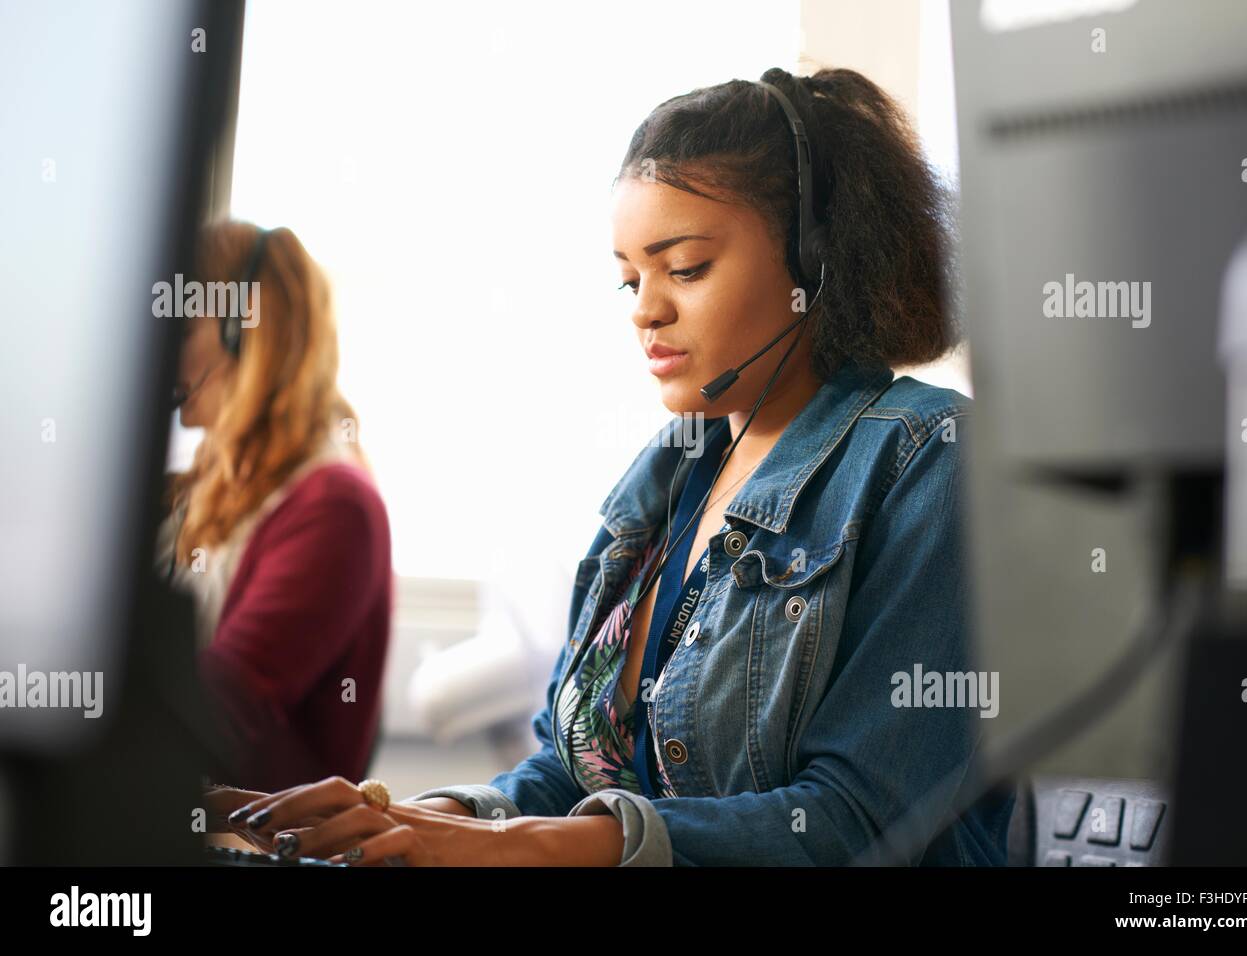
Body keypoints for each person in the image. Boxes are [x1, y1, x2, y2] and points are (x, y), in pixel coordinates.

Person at [207, 67, 1014, 866]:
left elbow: (860, 821)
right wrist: (406, 819)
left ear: (816, 257)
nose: (644, 309)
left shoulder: (925, 457)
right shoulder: (672, 475)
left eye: (685, 268)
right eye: (630, 277)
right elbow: (570, 770)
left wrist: (498, 845)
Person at [160, 221, 392, 793]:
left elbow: (221, 706)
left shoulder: (334, 505)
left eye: (182, 319)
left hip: (255, 843)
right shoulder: (205, 486)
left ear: (243, 332)